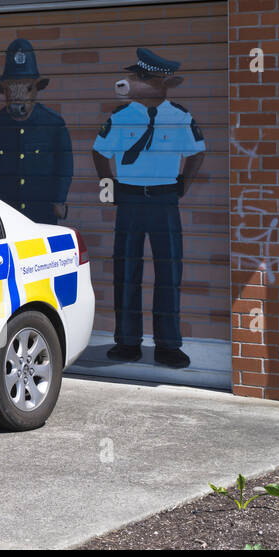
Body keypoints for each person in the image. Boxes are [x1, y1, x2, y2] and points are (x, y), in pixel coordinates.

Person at [92, 48, 206, 369]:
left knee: (168, 272)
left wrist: (183, 184)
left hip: (165, 199)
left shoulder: (180, 117)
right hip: (129, 197)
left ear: (161, 84)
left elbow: (198, 152)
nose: (130, 82)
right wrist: (109, 185)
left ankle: (167, 345)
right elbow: (99, 152)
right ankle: (127, 341)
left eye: (139, 78)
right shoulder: (120, 116)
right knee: (126, 271)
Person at [0, 39, 73, 225]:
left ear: (37, 88)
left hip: (41, 210)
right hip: (6, 211)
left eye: (26, 88)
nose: (18, 97)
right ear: (3, 90)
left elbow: (64, 167)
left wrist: (58, 200)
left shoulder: (54, 125)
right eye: (11, 89)